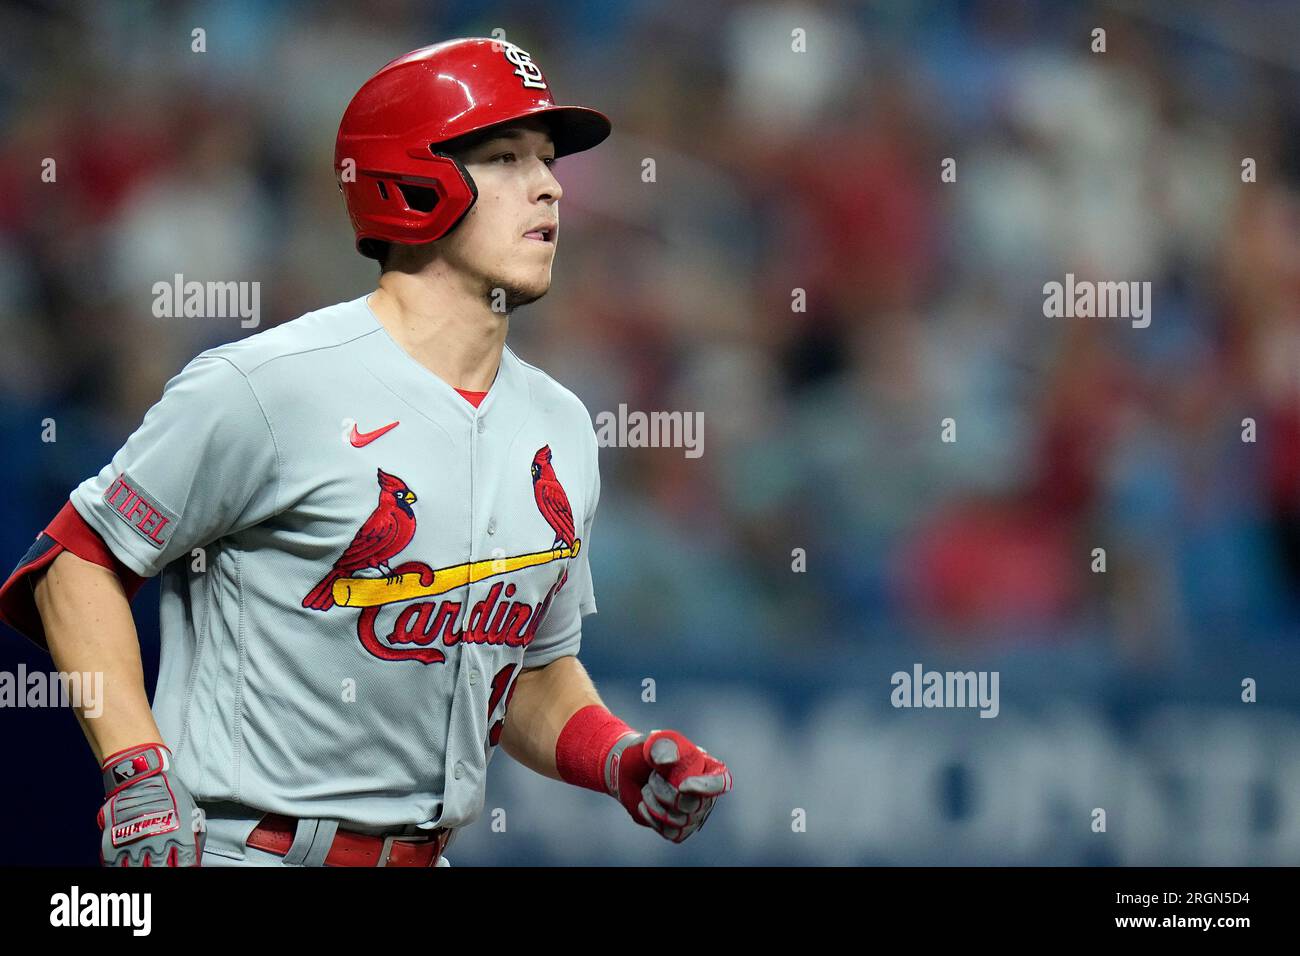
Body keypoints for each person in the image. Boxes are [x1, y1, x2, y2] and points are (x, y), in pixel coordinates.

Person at [0, 37, 732, 867]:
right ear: (412, 181)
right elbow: (76, 560)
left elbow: (525, 670)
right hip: (244, 849)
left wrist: (618, 759)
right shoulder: (270, 384)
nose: (550, 186)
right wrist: (136, 770)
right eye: (503, 157)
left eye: (547, 161)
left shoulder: (561, 426)